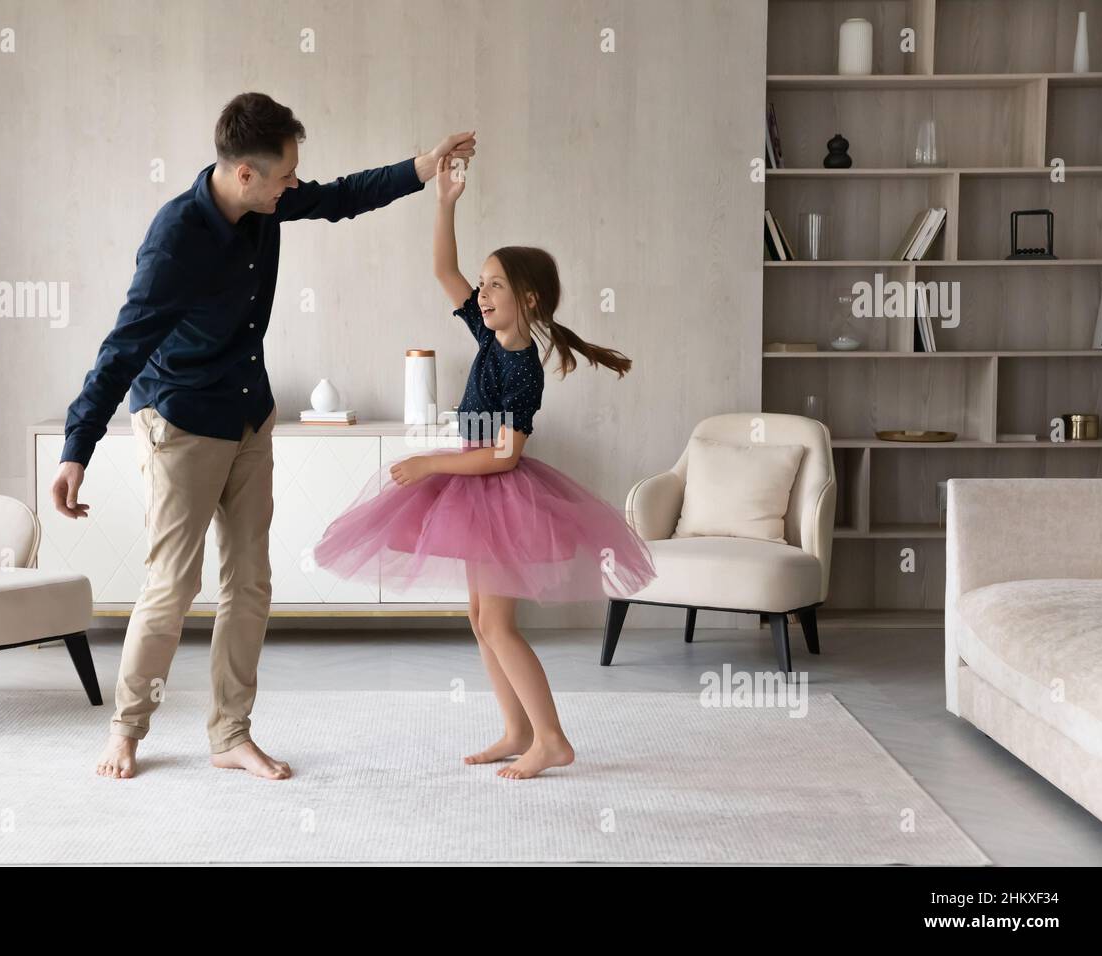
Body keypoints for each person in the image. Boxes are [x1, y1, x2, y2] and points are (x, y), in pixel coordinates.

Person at [52, 91, 476, 780]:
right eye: (284, 175)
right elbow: (122, 348)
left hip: (249, 414)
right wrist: (77, 447)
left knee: (250, 584)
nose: (294, 186)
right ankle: (127, 730)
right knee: (172, 586)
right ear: (244, 174)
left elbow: (341, 197)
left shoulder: (264, 203)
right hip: (181, 424)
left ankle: (230, 735)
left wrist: (424, 167)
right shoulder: (176, 240)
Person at [312, 154, 657, 779]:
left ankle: (551, 738)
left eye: (493, 283)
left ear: (525, 299)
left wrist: (431, 465)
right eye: (483, 282)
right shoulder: (489, 335)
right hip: (471, 481)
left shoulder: (521, 363)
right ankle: (516, 730)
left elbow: (505, 456)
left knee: (498, 624)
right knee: (480, 620)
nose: (480, 290)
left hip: (495, 487)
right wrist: (445, 201)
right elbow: (444, 267)